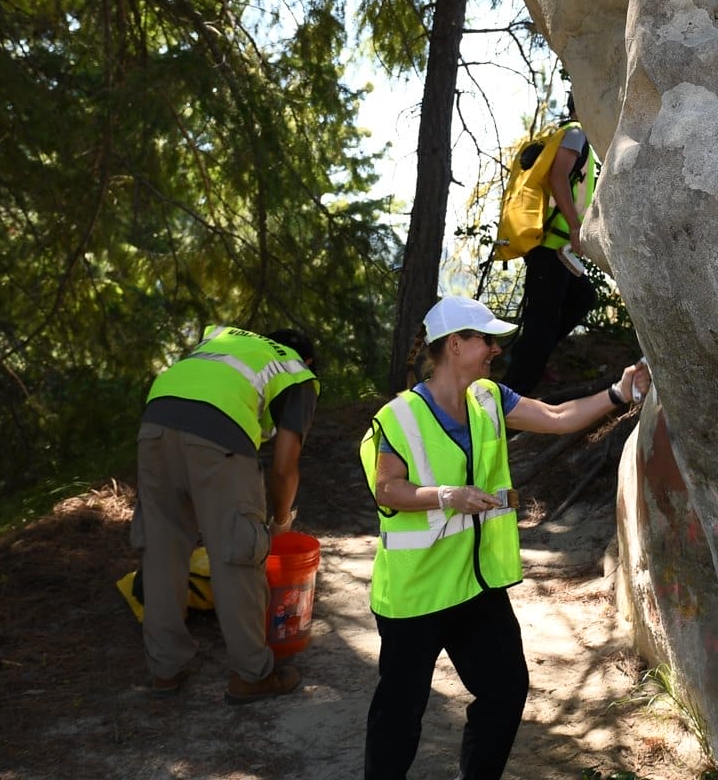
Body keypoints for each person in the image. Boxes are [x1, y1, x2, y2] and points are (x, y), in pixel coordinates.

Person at [361, 294, 651, 780]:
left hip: (474, 586)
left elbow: (557, 418)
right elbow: (386, 488)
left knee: (505, 689)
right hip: (416, 593)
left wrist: (618, 393)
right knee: (399, 714)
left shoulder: (489, 397)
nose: (494, 350)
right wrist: (446, 495)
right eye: (486, 341)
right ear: (455, 345)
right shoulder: (399, 417)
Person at [134, 324, 317, 702]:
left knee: (161, 548)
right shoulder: (297, 372)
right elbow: (284, 467)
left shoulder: (226, 341)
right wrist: (279, 522)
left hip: (154, 423)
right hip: (219, 436)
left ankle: (166, 669)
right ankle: (253, 674)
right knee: (238, 551)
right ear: (309, 360)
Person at [502, 93, 597, 396]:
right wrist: (574, 226)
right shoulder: (576, 135)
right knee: (541, 324)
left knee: (582, 298)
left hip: (557, 248)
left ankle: (533, 360)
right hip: (550, 246)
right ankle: (514, 396)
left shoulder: (569, 135)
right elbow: (558, 178)